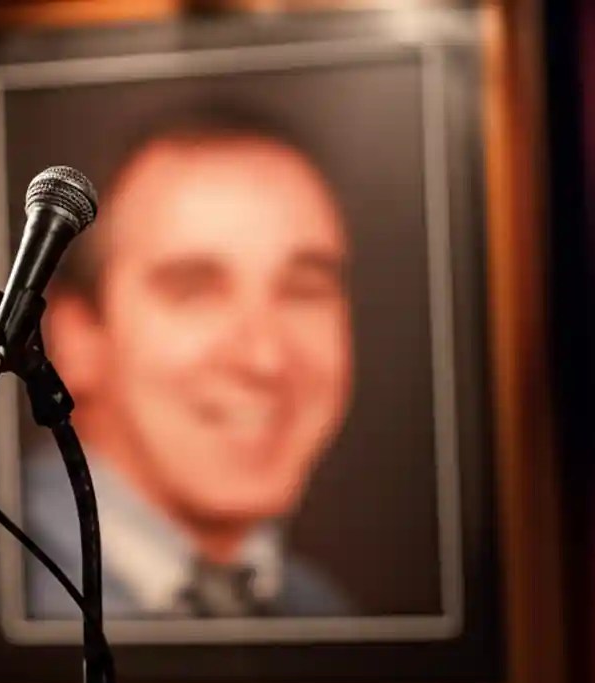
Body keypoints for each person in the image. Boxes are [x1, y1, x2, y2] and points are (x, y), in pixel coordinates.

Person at [23, 110, 355, 619]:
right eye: (194, 291)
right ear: (76, 340)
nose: (265, 359)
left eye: (304, 291)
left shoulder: (329, 618)